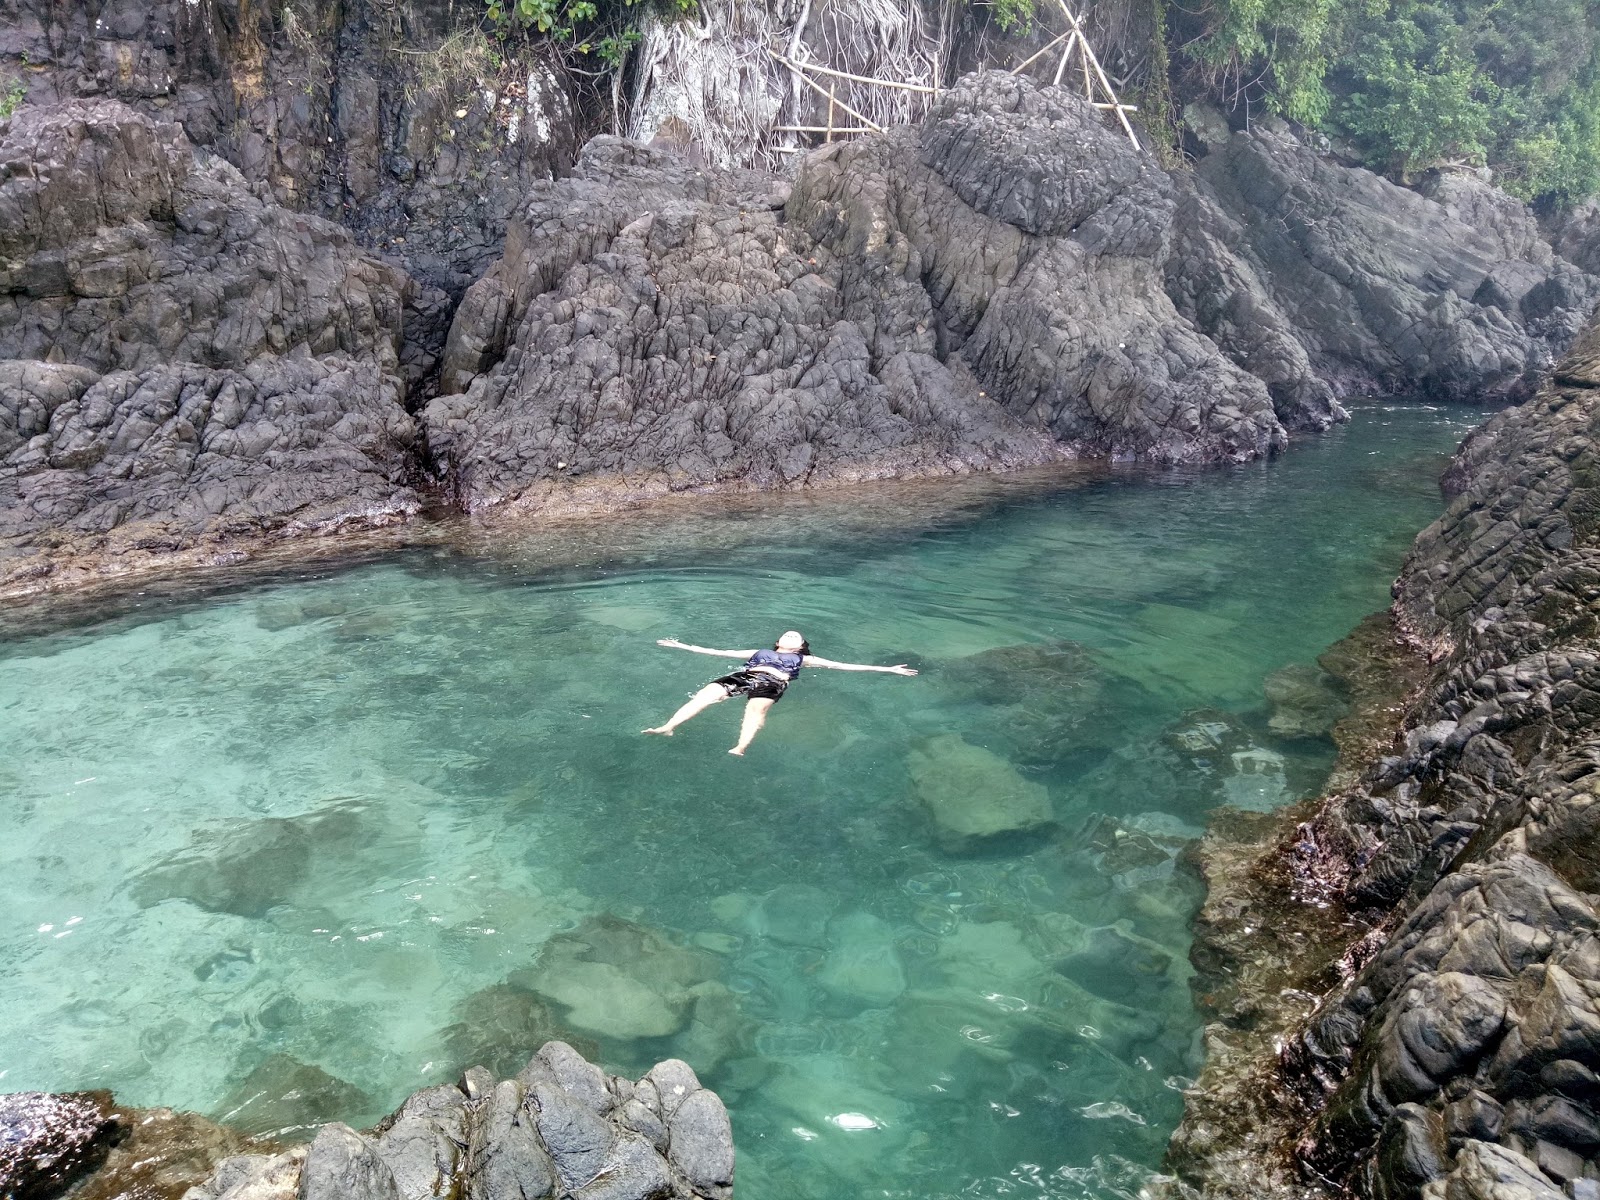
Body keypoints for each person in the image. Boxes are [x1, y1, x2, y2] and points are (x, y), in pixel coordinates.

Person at [643, 630, 918, 756]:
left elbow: (843, 666)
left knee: (754, 710)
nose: (791, 635)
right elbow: (719, 651)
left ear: (800, 647)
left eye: (796, 637)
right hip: (744, 676)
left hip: (773, 683)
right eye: (787, 634)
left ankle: (740, 747)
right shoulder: (758, 652)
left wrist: (888, 669)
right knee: (704, 695)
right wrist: (682, 646)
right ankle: (668, 727)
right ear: (777, 643)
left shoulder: (805, 659)